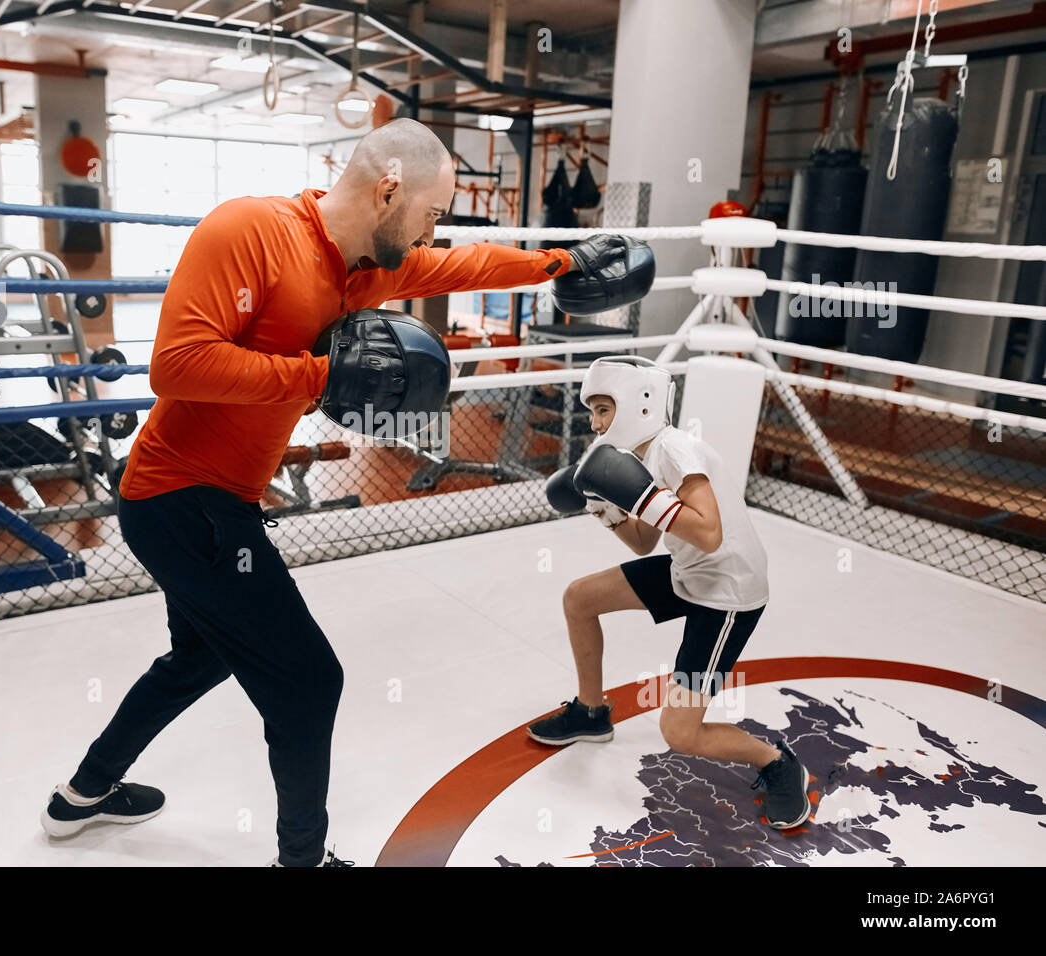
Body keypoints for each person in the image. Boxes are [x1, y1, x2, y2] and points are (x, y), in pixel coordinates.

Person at [39, 118, 654, 866]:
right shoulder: (250, 230)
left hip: (213, 502)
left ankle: (82, 795)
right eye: (430, 212)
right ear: (388, 189)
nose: (433, 230)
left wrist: (562, 260)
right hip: (180, 501)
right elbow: (176, 365)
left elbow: (466, 265)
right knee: (307, 681)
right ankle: (302, 860)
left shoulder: (375, 263)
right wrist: (322, 377)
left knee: (198, 658)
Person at [535, 355, 811, 830]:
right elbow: (645, 542)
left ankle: (778, 763)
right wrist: (603, 509)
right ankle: (592, 712)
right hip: (688, 572)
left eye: (604, 410)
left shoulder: (675, 449)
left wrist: (640, 497)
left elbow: (708, 534)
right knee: (579, 598)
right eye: (593, 413)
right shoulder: (637, 458)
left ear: (638, 404)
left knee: (680, 732)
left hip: (726, 591)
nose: (596, 425)